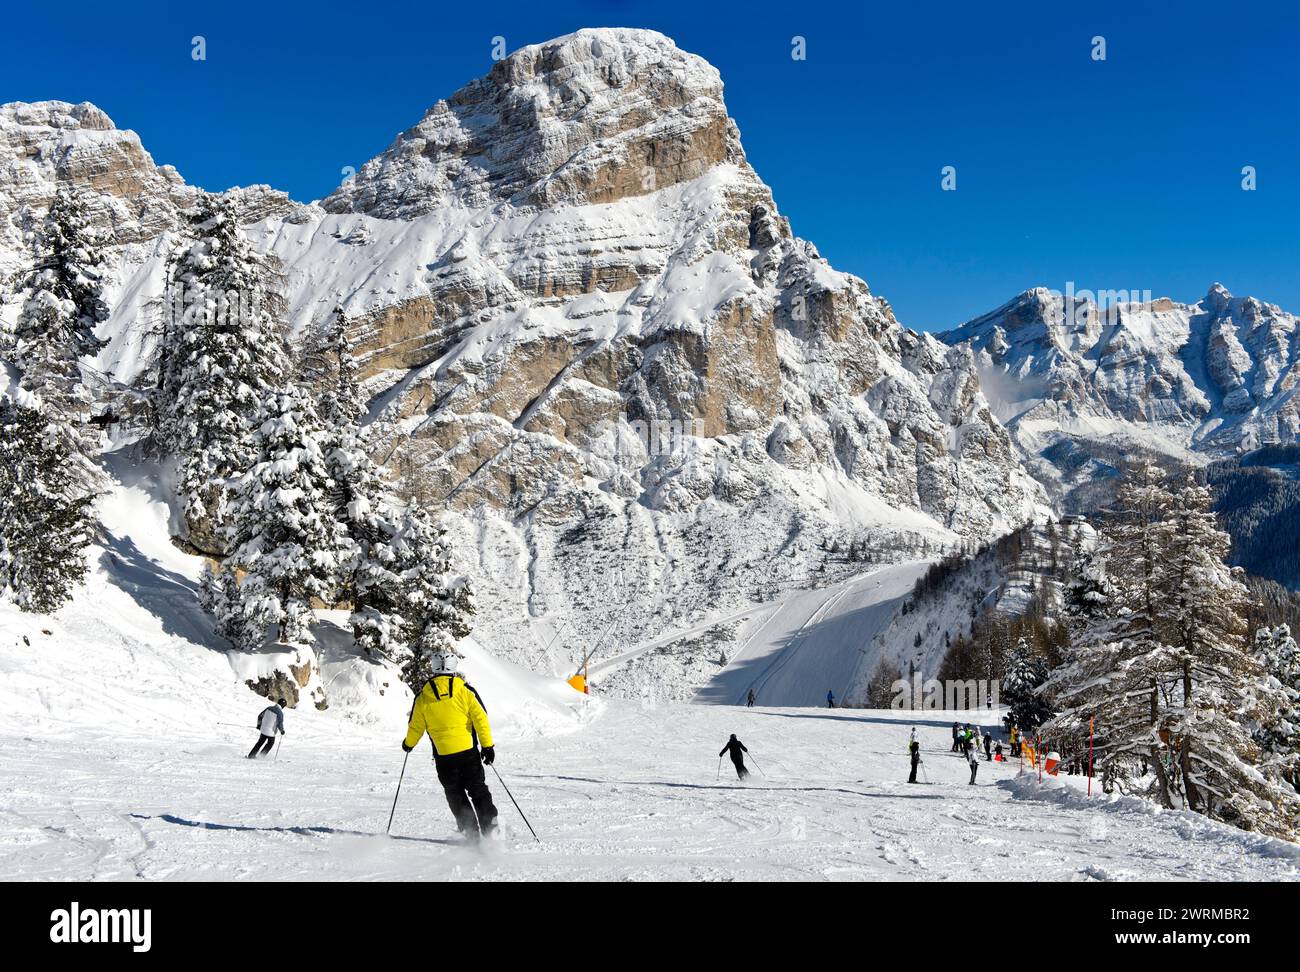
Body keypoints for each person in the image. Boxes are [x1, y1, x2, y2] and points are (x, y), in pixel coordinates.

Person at [402, 651, 499, 839]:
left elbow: (416, 726)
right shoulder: (465, 691)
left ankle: (469, 831)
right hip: (468, 752)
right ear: (454, 667)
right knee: (478, 790)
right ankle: (491, 828)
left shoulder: (422, 697)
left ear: (433, 667)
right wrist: (487, 746)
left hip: (443, 756)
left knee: (454, 793)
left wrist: (408, 744)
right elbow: (481, 719)